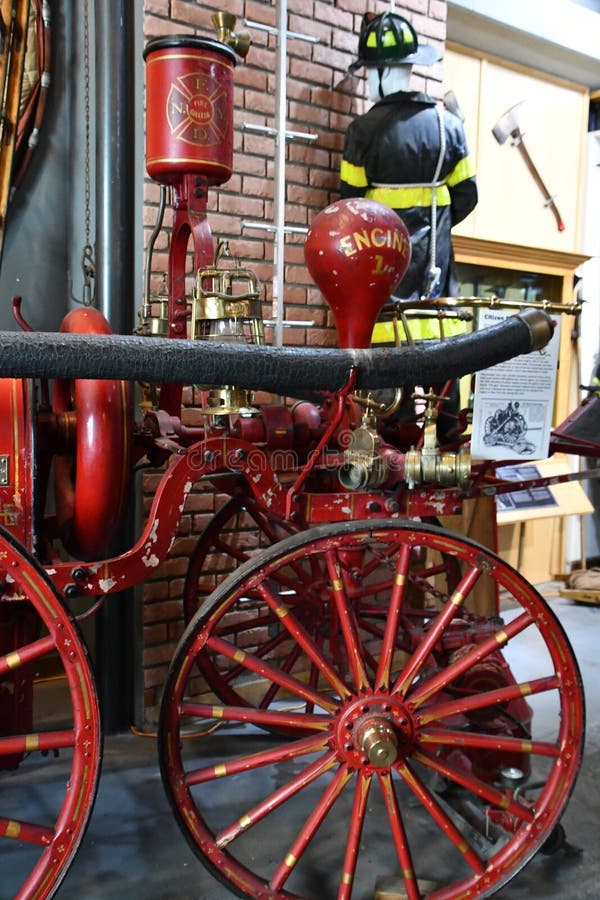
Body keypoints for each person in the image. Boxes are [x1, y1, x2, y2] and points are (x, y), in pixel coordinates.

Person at [340, 11, 478, 316]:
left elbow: (348, 206)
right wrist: (435, 225)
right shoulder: (449, 128)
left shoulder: (361, 132)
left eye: (367, 72)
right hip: (436, 293)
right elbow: (468, 196)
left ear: (382, 72)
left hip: (382, 296)